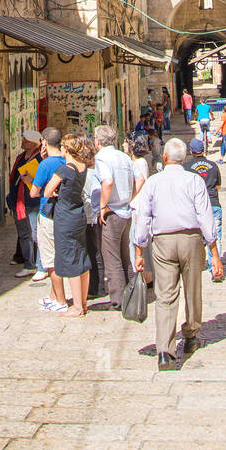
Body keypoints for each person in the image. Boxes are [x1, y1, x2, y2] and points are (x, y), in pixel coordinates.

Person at [133, 137, 223, 370]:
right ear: (184, 159)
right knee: (193, 289)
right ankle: (191, 335)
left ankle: (165, 351)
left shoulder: (153, 182)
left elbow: (143, 217)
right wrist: (214, 252)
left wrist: (139, 250)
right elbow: (205, 216)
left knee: (165, 295)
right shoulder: (194, 181)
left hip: (162, 241)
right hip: (192, 240)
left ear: (165, 157)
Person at [43, 133, 93, 317]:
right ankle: (84, 302)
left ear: (67, 149)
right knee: (81, 256)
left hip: (65, 217)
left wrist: (56, 191)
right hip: (78, 214)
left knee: (70, 259)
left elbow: (47, 191)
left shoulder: (65, 170)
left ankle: (77, 306)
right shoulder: (83, 168)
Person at [94, 123, 136, 311]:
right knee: (125, 255)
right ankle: (132, 291)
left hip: (112, 212)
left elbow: (107, 181)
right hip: (125, 210)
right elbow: (137, 180)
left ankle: (118, 300)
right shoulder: (123, 156)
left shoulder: (102, 158)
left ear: (98, 142)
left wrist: (103, 206)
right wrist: (130, 198)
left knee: (111, 258)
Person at [30, 128, 67, 309]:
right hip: (62, 214)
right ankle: (53, 296)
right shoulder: (66, 161)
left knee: (51, 261)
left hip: (47, 213)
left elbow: (34, 192)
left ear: (44, 142)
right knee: (57, 254)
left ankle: (60, 300)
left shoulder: (44, 166)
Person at [184, 138, 223, 279]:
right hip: (213, 204)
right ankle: (216, 268)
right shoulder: (213, 166)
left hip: (195, 207)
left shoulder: (186, 168)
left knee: (196, 237)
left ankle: (197, 265)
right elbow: (218, 186)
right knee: (215, 236)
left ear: (191, 151)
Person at [6, 130, 42, 277]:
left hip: (32, 201)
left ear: (32, 143)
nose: (22, 142)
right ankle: (29, 262)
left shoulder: (39, 158)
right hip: (19, 201)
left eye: (25, 140)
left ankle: (35, 264)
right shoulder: (21, 157)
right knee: (24, 234)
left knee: (34, 234)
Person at [129, 136, 153, 290]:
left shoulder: (138, 163)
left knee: (138, 241)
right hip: (140, 205)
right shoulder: (141, 161)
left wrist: (130, 198)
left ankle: (145, 276)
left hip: (137, 207)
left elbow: (141, 180)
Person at [82, 162, 106, 298]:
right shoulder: (96, 173)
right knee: (96, 251)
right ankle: (97, 286)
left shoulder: (88, 174)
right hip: (95, 216)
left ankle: (97, 287)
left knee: (94, 252)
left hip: (90, 217)